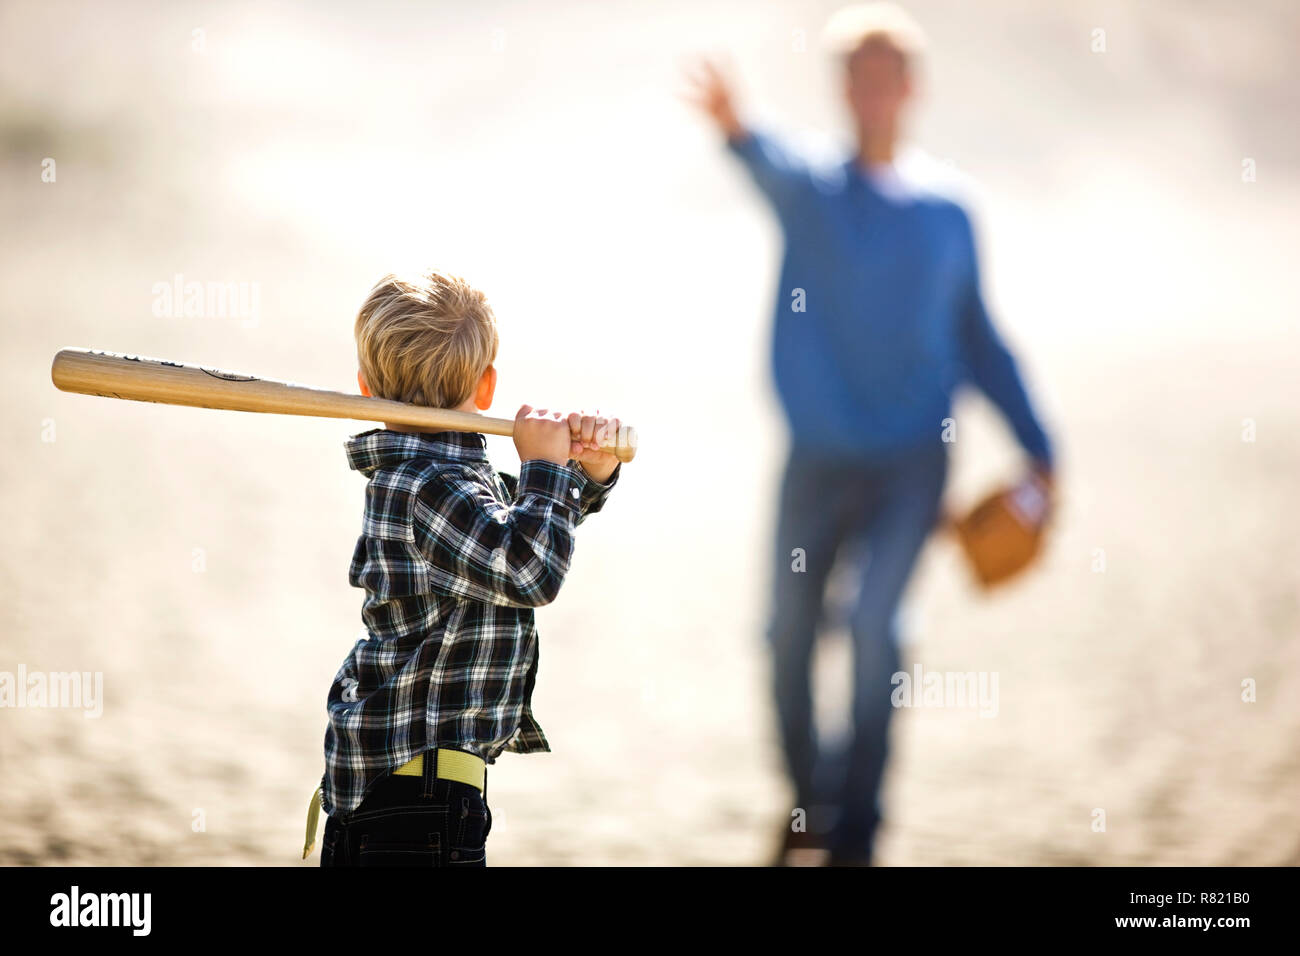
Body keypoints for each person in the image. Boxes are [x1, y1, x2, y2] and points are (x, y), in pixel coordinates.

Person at [685, 3, 1056, 865]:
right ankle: (811, 798)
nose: (874, 93)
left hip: (910, 467)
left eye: (889, 77)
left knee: (877, 626)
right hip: (817, 461)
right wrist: (736, 127)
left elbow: (981, 341)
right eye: (858, 77)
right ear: (843, 88)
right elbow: (767, 161)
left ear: (911, 90)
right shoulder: (814, 192)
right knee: (784, 637)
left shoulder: (948, 213)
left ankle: (859, 825)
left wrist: (1042, 449)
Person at [303, 269, 622, 866]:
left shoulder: (445, 481)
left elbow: (526, 528)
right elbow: (531, 571)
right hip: (408, 796)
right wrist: (545, 472)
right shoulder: (425, 488)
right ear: (487, 386)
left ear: (365, 387)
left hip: (416, 792)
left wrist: (585, 474)